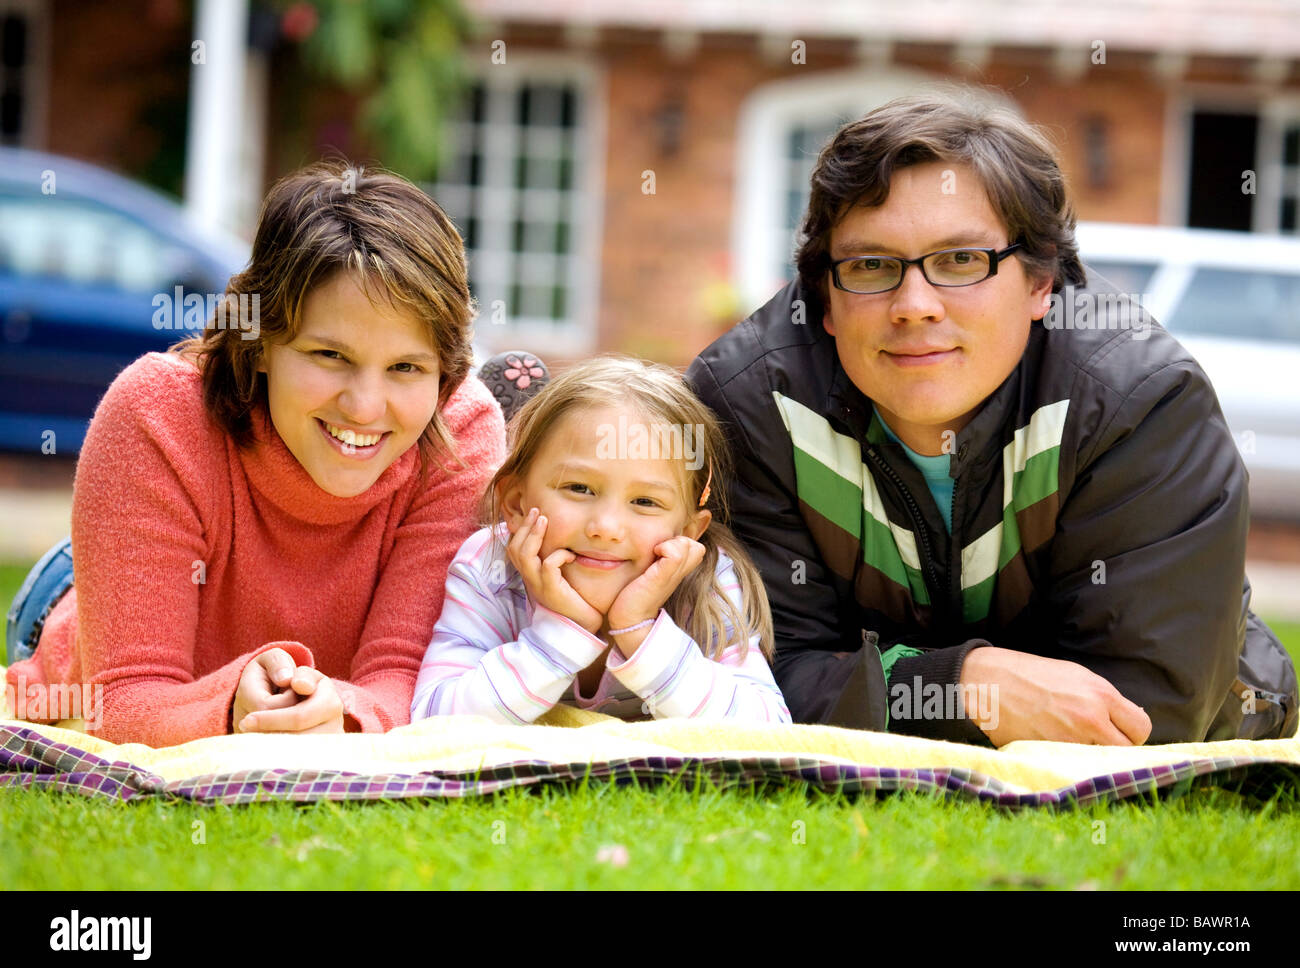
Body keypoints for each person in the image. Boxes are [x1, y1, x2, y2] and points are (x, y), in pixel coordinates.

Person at [687, 91, 1298, 746]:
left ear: (1041, 283)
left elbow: (1145, 711)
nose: (914, 304)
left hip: (1231, 702)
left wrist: (878, 691)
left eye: (960, 261)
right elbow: (745, 684)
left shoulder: (1140, 404)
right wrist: (964, 687)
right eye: (871, 265)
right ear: (825, 297)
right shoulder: (746, 403)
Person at [4, 161, 506, 746]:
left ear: (444, 373)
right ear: (262, 340)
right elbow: (124, 699)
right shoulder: (155, 415)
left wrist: (342, 710)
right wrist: (231, 706)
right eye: (329, 356)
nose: (366, 408)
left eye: (405, 368)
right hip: (84, 617)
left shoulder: (463, 426)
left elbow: (405, 678)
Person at [411, 357, 791, 724]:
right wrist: (562, 631)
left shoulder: (707, 581)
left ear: (689, 532)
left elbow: (767, 730)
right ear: (515, 503)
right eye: (579, 488)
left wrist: (640, 631)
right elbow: (434, 718)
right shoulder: (490, 567)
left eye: (645, 502)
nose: (606, 527)